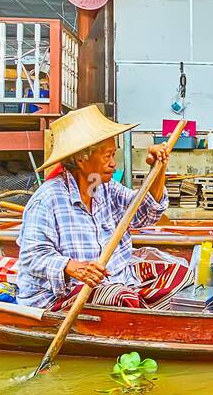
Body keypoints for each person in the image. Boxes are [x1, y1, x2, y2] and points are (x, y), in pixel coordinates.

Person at [17, 105, 174, 309]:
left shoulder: (105, 188)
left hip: (116, 282)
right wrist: (71, 267)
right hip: (64, 296)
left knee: (177, 271)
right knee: (121, 297)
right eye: (107, 156)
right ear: (81, 159)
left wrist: (158, 168)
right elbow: (32, 256)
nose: (113, 164)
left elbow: (146, 214)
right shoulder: (47, 199)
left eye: (113, 155)